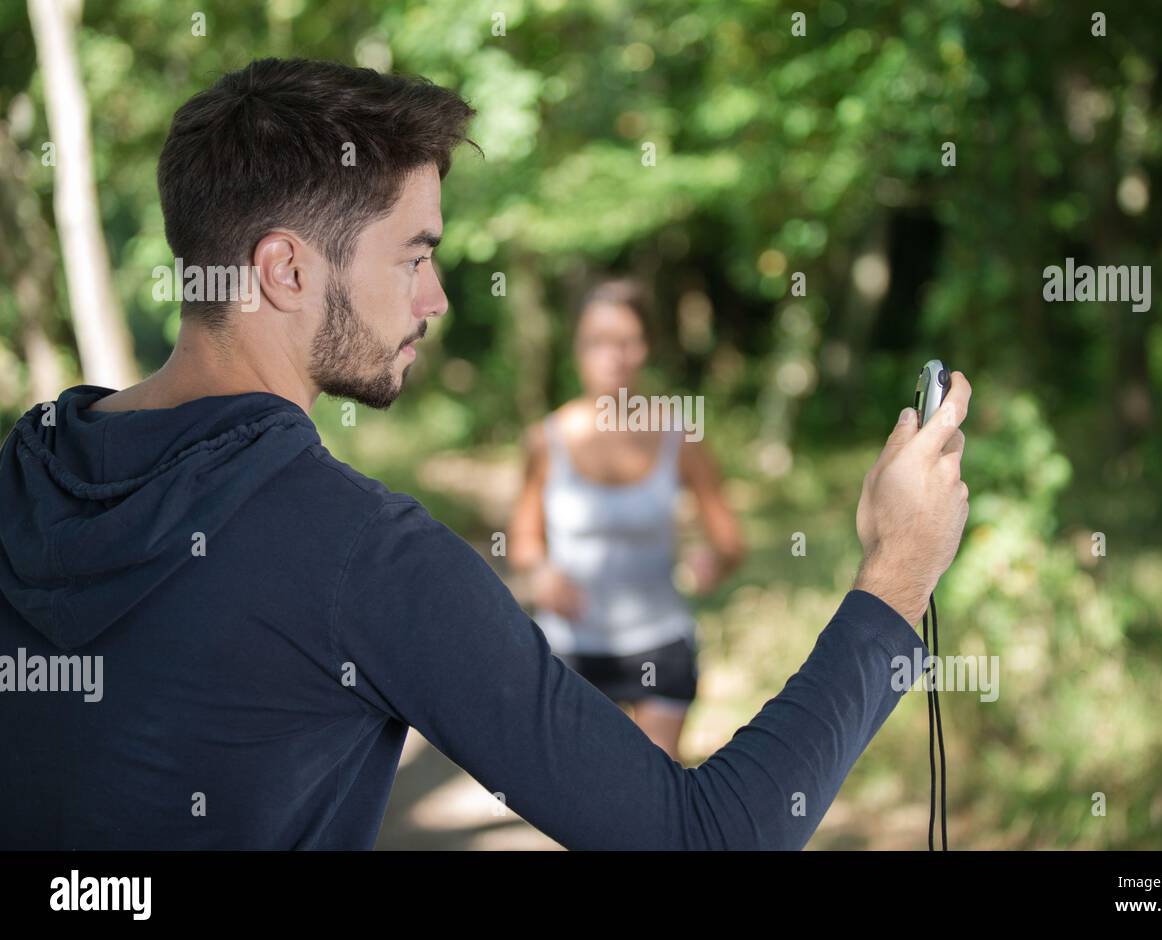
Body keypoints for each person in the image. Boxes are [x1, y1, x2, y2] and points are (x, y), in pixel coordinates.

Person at [0, 58, 971, 850]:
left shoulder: (24, 471)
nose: (436, 300)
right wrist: (898, 573)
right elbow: (708, 835)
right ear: (285, 268)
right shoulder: (363, 555)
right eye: (414, 257)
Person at [508, 277, 745, 763]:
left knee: (651, 797)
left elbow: (730, 541)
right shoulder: (546, 439)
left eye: (626, 341)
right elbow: (523, 540)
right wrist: (541, 574)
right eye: (597, 342)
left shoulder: (681, 434)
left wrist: (712, 562)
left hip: (660, 643)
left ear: (646, 348)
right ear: (577, 348)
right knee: (580, 798)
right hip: (570, 650)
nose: (611, 355)